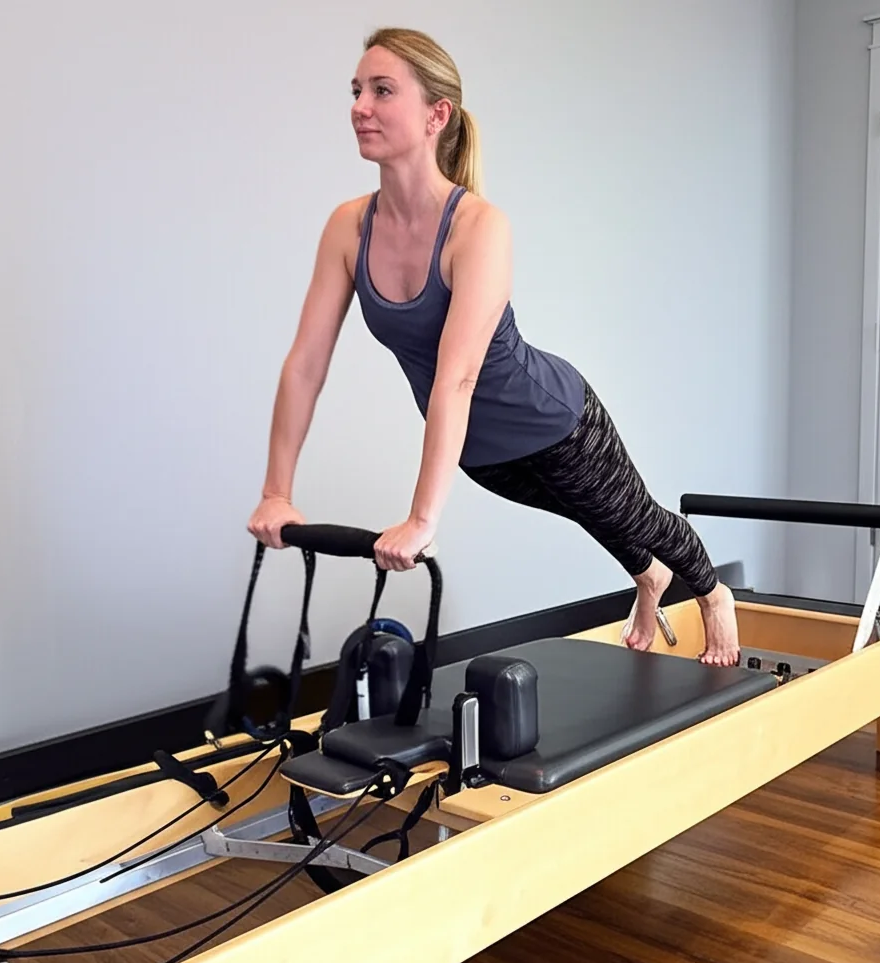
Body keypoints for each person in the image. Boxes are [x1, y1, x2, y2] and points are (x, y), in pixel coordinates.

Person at [247, 27, 740, 666]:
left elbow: (456, 378)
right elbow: (305, 364)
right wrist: (276, 490)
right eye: (357, 90)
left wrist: (421, 518)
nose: (360, 106)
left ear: (436, 115)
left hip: (555, 421)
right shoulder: (350, 226)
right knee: (593, 517)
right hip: (481, 456)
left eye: (382, 90)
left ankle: (713, 594)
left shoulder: (478, 226)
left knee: (634, 518)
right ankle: (649, 576)